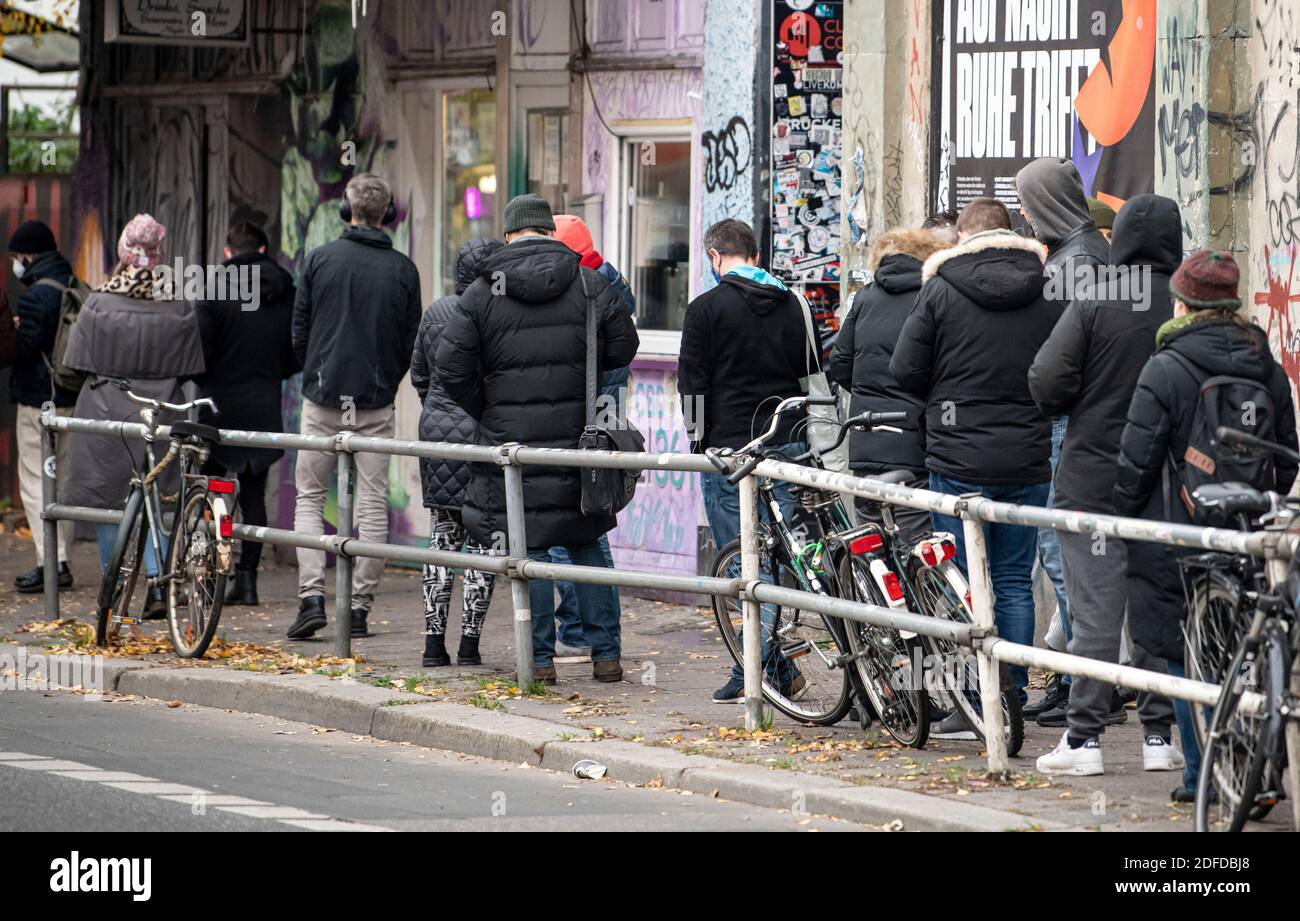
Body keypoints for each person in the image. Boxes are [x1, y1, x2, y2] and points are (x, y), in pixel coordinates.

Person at [1110, 250, 1297, 800]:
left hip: (1178, 534)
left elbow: (1136, 459)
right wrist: (1257, 504)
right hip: (1249, 533)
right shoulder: (1265, 362)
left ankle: (1203, 779)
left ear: (1183, 301)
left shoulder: (1165, 365)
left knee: (1186, 655)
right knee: (1252, 652)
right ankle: (1259, 771)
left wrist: (1127, 519)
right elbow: (1286, 455)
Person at [435, 194, 638, 685]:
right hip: (579, 439)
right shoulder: (589, 284)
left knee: (534, 551)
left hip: (515, 445)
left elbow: (448, 366)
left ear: (509, 235)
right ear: (549, 232)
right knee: (587, 540)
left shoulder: (483, 292)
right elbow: (624, 346)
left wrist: (489, 408)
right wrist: (582, 386)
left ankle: (540, 663)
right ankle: (606, 657)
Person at [890, 197, 1062, 737]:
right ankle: (1008, 698)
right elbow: (1065, 371)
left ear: (962, 235)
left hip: (957, 454)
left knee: (962, 579)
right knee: (1014, 579)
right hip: (1028, 457)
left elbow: (904, 369)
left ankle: (971, 700)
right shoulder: (1048, 289)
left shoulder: (940, 289)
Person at [1029, 194, 1185, 776]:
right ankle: (1159, 736)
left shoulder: (1097, 297)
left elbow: (1047, 379)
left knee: (1094, 615)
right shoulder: (1186, 301)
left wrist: (1081, 400)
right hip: (1166, 484)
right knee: (1157, 612)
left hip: (1093, 476)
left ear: (1119, 239)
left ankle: (1085, 742)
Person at [678, 218, 820, 704]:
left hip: (730, 452)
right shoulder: (794, 303)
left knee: (742, 558)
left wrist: (699, 444)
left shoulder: (705, 310)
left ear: (716, 257)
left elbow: (692, 386)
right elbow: (810, 378)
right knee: (790, 554)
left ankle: (756, 665)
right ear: (755, 256)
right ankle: (768, 665)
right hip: (790, 444)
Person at [287, 173, 421, 641]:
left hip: (322, 399)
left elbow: (299, 333)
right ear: (386, 215)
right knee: (372, 504)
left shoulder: (320, 260)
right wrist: (385, 382)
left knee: (307, 497)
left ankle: (310, 597)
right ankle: (359, 607)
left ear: (347, 212)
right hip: (375, 403)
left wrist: (318, 371)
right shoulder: (404, 270)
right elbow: (410, 344)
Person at [62, 215, 205, 616]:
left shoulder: (98, 305)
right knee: (157, 496)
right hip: (160, 412)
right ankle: (160, 584)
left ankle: (116, 584)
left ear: (123, 254)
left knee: (112, 501)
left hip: (109, 414)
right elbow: (194, 365)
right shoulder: (177, 306)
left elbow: (74, 362)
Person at [1017, 157, 1112, 721]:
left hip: (1067, 422)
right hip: (1078, 418)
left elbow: (1065, 357)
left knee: (1060, 551)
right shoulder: (1087, 253)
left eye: (1028, 203)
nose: (1025, 215)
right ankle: (1084, 681)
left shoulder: (1075, 263)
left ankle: (1085, 686)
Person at [193, 221, 299, 607]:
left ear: (228, 252)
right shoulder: (287, 290)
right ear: (264, 248)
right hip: (263, 401)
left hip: (217, 404)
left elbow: (198, 354)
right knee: (254, 498)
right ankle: (248, 582)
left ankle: (208, 575)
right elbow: (296, 349)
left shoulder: (212, 288)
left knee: (210, 491)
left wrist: (204, 379)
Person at [410, 238, 504, 669]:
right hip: (482, 436)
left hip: (437, 434)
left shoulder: (436, 312)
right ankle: (469, 644)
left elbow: (420, 376)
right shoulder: (497, 313)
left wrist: (440, 409)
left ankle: (432, 645)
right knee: (484, 542)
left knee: (442, 538)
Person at [546, 214, 636, 657]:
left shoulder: (584, 291)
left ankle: (579, 630)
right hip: (603, 425)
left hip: (582, 428)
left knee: (573, 534)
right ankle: (587, 632)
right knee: (589, 528)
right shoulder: (609, 283)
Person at [827, 227, 944, 544]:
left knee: (871, 544)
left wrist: (870, 394)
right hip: (915, 444)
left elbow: (839, 366)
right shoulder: (934, 296)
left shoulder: (864, 298)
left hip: (866, 442)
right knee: (917, 543)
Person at [7, 220, 79, 594]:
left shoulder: (36, 295)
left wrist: (14, 331)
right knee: (61, 480)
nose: (16, 264)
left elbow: (26, 349)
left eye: (17, 257)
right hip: (70, 398)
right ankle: (59, 557)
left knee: (36, 482)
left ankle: (51, 562)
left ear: (28, 255)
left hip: (38, 401)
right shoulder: (73, 284)